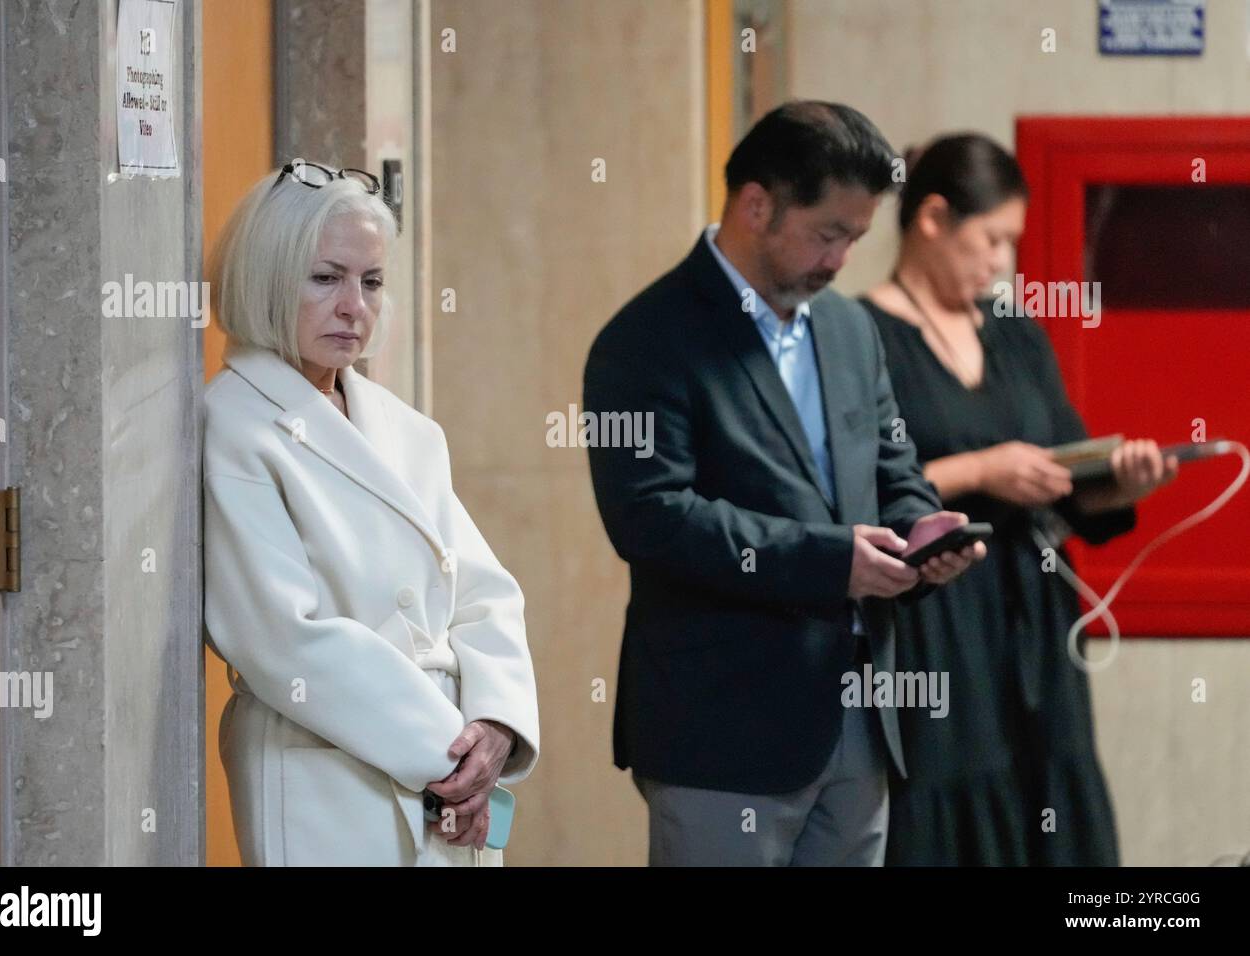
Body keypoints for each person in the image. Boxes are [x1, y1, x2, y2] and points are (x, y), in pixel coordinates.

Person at [583, 102, 985, 867]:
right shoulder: (645, 341)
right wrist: (834, 559)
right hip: (721, 733)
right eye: (828, 234)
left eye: (856, 239)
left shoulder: (847, 328)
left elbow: (893, 469)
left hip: (861, 723)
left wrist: (924, 536)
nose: (840, 262)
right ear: (756, 204)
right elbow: (651, 519)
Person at [202, 160, 540, 866]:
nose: (355, 305)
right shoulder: (231, 423)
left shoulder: (404, 427)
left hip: (449, 781)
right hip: (329, 774)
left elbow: (485, 592)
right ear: (266, 276)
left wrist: (496, 725)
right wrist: (451, 760)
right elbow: (284, 639)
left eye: (372, 281)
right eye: (325, 278)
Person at [859, 133, 1177, 865]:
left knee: (1049, 788)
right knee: (949, 795)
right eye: (992, 239)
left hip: (1030, 611)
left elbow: (1066, 477)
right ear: (932, 217)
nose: (1002, 263)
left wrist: (1118, 483)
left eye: (1013, 243)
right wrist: (978, 469)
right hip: (935, 616)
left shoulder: (1015, 334)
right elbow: (853, 492)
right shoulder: (862, 334)